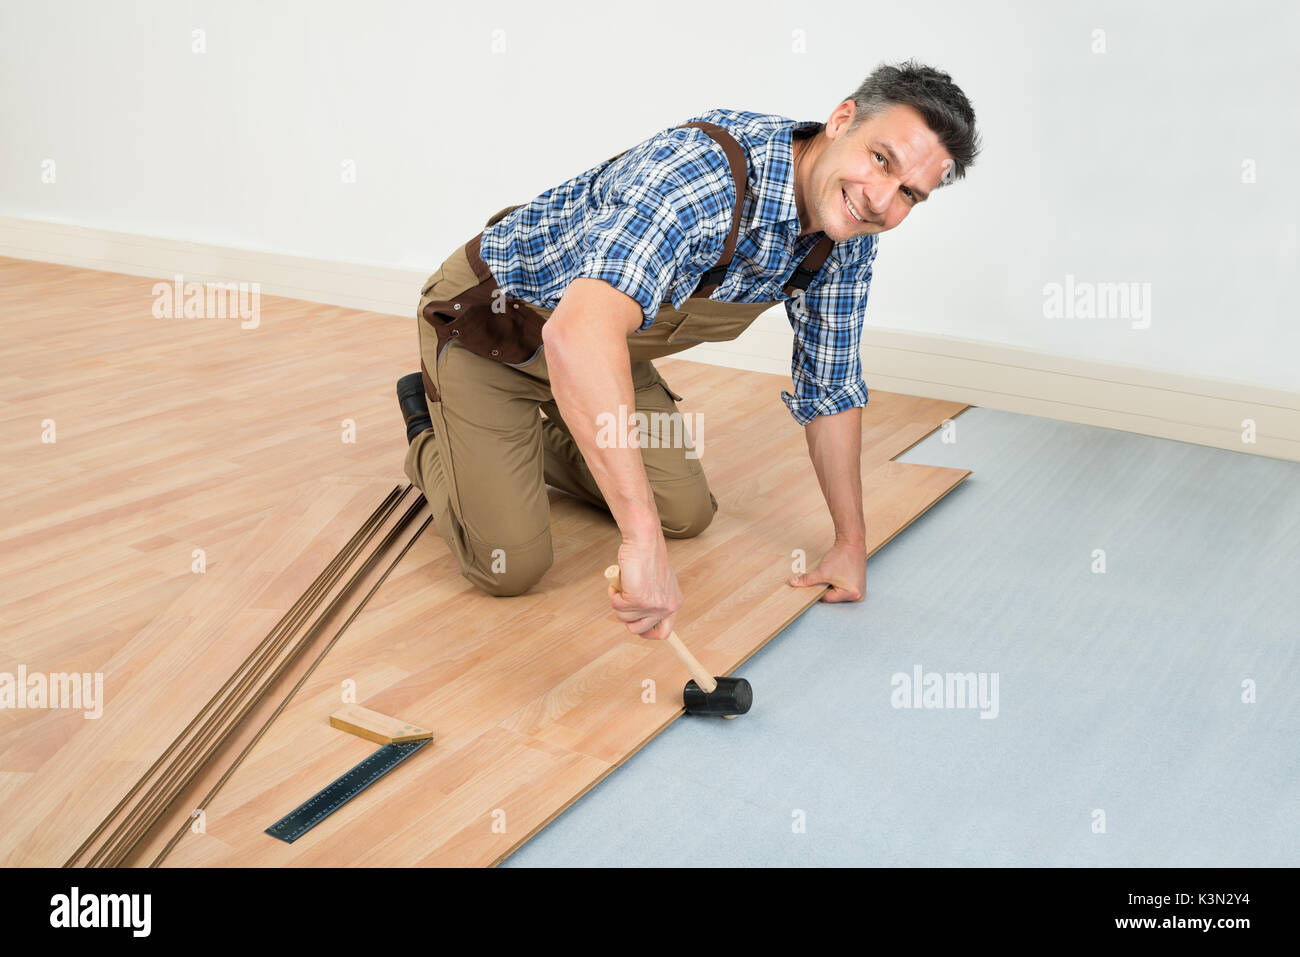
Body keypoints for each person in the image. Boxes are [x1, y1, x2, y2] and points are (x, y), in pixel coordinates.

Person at [395, 59, 980, 641]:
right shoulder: (701, 173)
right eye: (881, 160)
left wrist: (851, 544)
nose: (881, 202)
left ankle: (552, 421)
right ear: (841, 119)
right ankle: (429, 427)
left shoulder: (844, 237)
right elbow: (576, 332)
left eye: (909, 193)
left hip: (603, 351)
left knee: (686, 512)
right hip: (491, 328)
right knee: (511, 567)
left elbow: (829, 389)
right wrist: (638, 539)